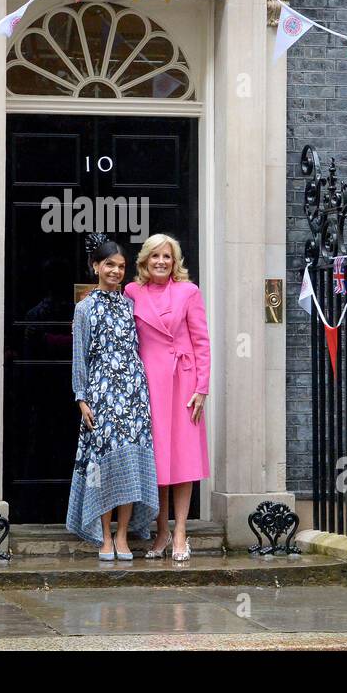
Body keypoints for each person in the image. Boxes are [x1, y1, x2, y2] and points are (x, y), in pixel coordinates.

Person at [66, 233, 159, 560]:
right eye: (109, 264)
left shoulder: (131, 305)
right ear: (95, 266)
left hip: (134, 393)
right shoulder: (84, 308)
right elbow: (80, 356)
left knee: (130, 463)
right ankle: (105, 535)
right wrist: (82, 399)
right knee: (105, 465)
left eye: (121, 266)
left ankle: (122, 535)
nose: (116, 271)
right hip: (101, 393)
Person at [124, 233, 211, 562]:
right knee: (157, 461)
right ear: (145, 260)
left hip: (183, 383)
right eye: (155, 256)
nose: (161, 261)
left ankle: (181, 532)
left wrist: (202, 388)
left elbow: (201, 341)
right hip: (148, 384)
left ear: (175, 262)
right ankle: (161, 530)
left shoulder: (189, 292)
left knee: (183, 459)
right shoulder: (132, 292)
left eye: (167, 256)